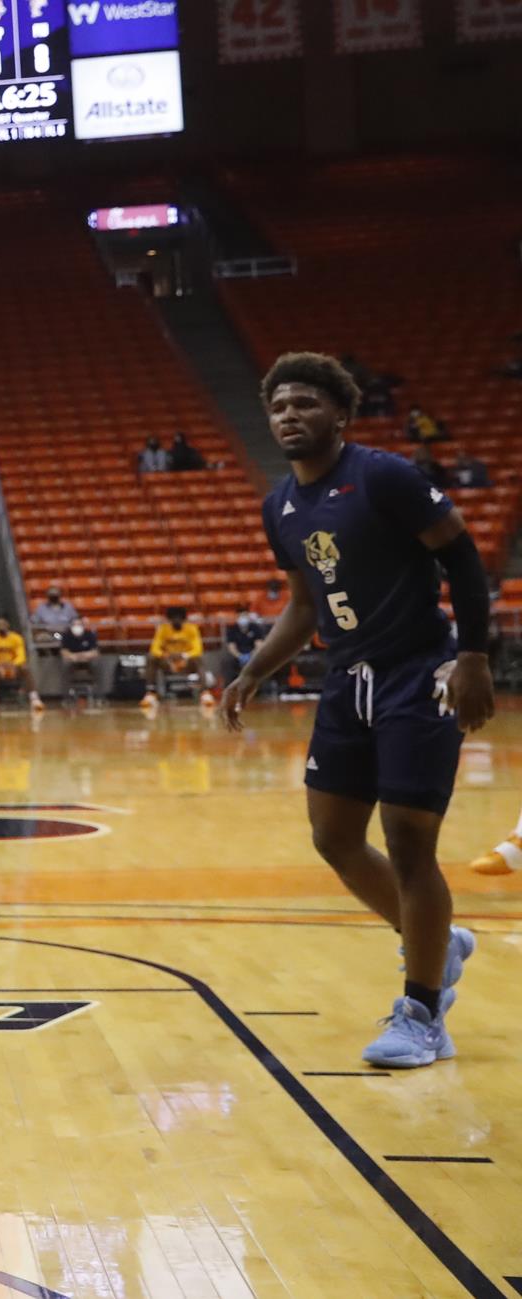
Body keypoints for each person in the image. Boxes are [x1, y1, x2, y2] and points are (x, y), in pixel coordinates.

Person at [221, 351, 492, 1068]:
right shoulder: (278, 504)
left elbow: (463, 559)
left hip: (419, 673)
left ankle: (423, 1011)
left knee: (408, 843)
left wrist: (473, 657)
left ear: (340, 413)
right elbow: (305, 604)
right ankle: (438, 942)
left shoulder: (385, 476)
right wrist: (253, 670)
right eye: (279, 406)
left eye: (306, 402)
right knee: (334, 837)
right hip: (348, 679)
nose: (289, 415)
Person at [141, 606, 213, 706]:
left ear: (184, 619)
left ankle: (205, 693)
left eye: (179, 618)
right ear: (169, 619)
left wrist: (184, 656)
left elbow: (198, 649)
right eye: (174, 618)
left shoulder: (192, 629)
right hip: (168, 662)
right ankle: (151, 693)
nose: (176, 620)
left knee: (198, 659)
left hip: (186, 662)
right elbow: (154, 649)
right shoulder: (163, 629)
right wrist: (167, 656)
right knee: (151, 658)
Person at [0, 615, 42, 712]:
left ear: (8, 625)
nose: (1, 626)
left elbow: (21, 656)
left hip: (14, 667)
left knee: (25, 668)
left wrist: (13, 665)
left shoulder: (17, 638)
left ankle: (34, 699)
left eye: (3, 624)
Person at [224, 607, 267, 683]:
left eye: (244, 616)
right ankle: (231, 686)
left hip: (253, 653)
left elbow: (259, 645)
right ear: (237, 617)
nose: (242, 618)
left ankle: (262, 688)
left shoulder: (255, 628)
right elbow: (231, 647)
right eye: (240, 616)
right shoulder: (232, 629)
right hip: (238, 654)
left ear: (248, 616)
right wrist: (239, 656)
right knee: (227, 663)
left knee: (263, 661)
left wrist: (251, 655)